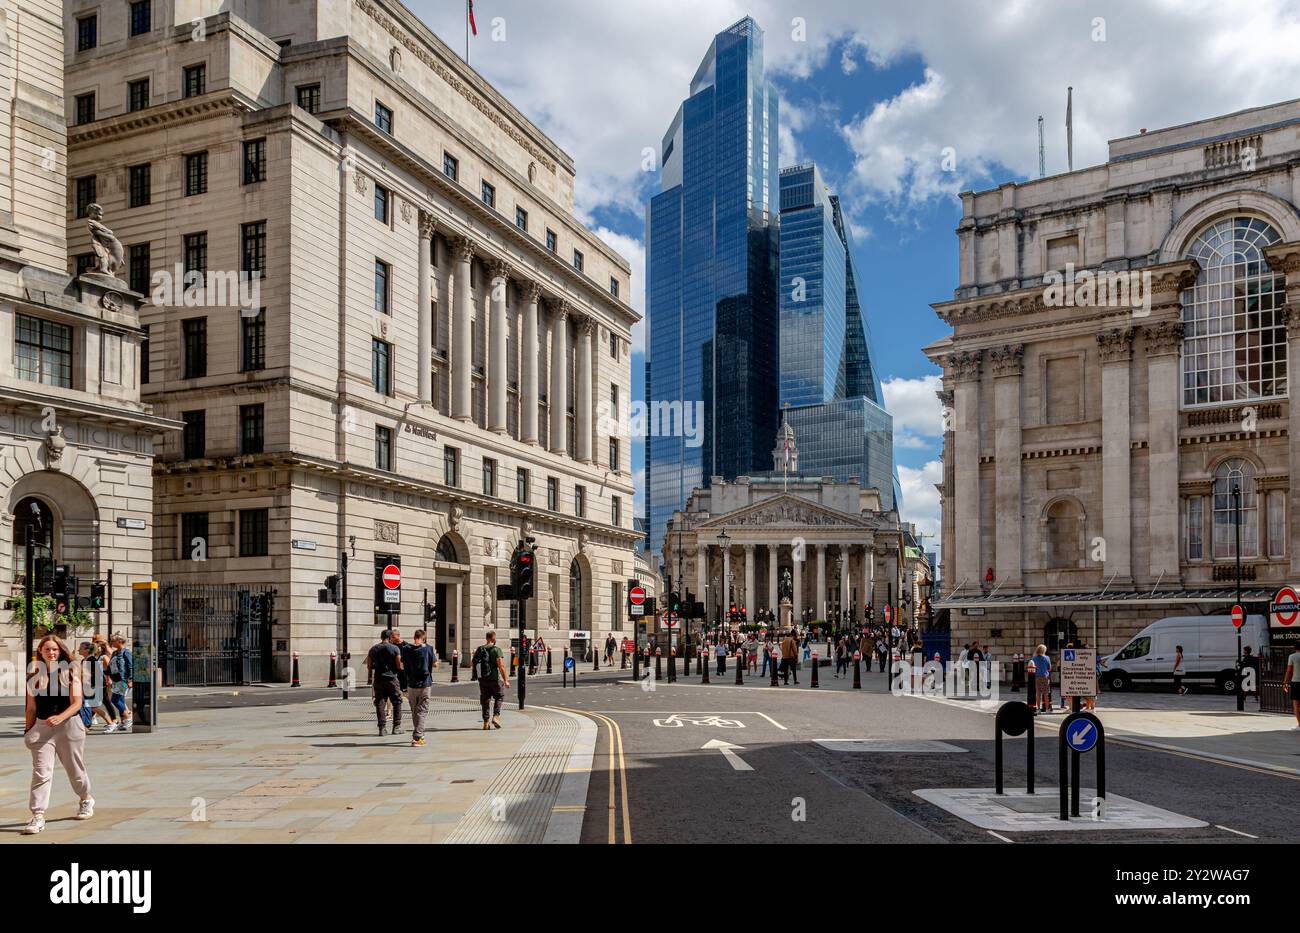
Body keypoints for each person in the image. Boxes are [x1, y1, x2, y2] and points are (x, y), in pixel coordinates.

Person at [23, 635, 94, 834]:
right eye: (47, 649)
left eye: (55, 649)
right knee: (41, 773)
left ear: (60, 651)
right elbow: (30, 709)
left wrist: (60, 717)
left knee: (75, 771)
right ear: (41, 652)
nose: (51, 653)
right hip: (42, 729)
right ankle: (37, 816)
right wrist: (28, 731)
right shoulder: (33, 678)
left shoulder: (71, 673)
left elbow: (77, 703)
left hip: (69, 726)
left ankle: (86, 799)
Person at [366, 630, 404, 737]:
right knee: (397, 701)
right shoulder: (394, 648)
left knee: (380, 702)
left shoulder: (373, 649)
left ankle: (382, 728)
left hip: (378, 678)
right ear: (390, 637)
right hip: (392, 678)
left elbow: (369, 666)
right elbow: (399, 665)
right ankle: (396, 727)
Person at [402, 630, 436, 747]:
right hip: (425, 684)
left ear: (414, 637)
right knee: (422, 710)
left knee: (414, 710)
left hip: (411, 684)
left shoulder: (406, 649)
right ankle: (417, 737)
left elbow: (402, 665)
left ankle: (420, 734)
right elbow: (435, 664)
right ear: (424, 638)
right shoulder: (428, 649)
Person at [472, 630, 508, 730]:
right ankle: (496, 716)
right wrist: (505, 680)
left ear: (486, 638)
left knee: (485, 700)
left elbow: (473, 663)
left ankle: (486, 722)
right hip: (494, 679)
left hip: (482, 679)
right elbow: (501, 666)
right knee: (499, 696)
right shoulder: (496, 650)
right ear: (493, 638)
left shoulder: (480, 649)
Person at [108, 634, 133, 731]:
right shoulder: (115, 653)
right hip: (116, 679)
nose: (112, 643)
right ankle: (124, 721)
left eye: (113, 641)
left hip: (123, 680)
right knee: (120, 700)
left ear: (119, 641)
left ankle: (128, 718)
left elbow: (130, 666)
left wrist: (130, 679)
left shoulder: (126, 652)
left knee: (115, 700)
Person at [1032, 644, 1052, 713]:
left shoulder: (1034, 658)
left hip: (1037, 676)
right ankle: (1047, 709)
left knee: (1038, 693)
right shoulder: (1047, 658)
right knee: (1046, 693)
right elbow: (1049, 668)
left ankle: (1038, 709)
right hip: (1045, 676)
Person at [1285, 646, 1300, 730]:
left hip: (1296, 682)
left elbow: (1289, 670)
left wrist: (1285, 682)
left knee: (1296, 705)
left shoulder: (1292, 656)